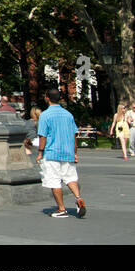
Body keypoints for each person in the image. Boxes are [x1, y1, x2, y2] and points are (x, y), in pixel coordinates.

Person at [37, 89, 85, 218]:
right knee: (70, 178)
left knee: (54, 181)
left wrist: (40, 152)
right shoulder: (68, 114)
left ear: (47, 98)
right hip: (67, 151)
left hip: (52, 152)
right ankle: (79, 198)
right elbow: (74, 134)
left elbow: (43, 136)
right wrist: (75, 152)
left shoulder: (45, 115)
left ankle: (62, 209)